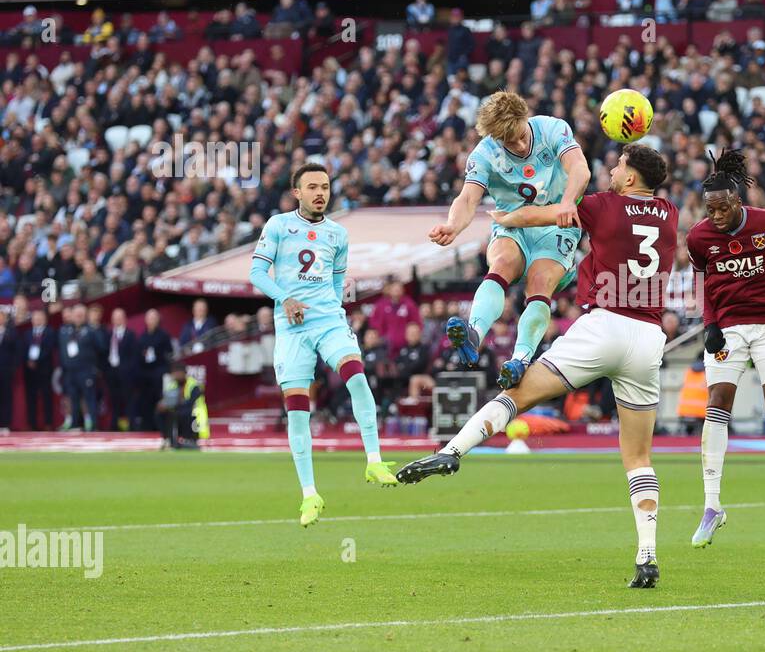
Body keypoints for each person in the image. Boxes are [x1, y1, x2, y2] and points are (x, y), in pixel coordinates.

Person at [398, 145, 676, 589]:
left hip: (602, 327)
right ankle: (647, 556)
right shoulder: (669, 212)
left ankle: (451, 452)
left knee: (518, 394)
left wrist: (505, 220)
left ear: (629, 178)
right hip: (647, 339)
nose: (612, 169)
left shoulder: (602, 206)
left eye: (620, 165)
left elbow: (541, 215)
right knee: (639, 457)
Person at [248, 163, 398, 527]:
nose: (320, 192)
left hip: (329, 320)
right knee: (298, 409)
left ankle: (374, 460)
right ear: (296, 192)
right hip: (291, 327)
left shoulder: (338, 234)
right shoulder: (278, 226)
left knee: (357, 377)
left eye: (325, 187)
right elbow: (256, 273)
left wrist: (334, 311)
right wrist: (285, 299)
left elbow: (336, 282)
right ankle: (309, 495)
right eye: (312, 186)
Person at [685, 150, 765, 550]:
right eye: (710, 209)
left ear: (737, 202)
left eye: (722, 208)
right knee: (716, 405)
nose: (716, 216)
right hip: (727, 329)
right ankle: (712, 507)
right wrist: (709, 324)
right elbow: (707, 282)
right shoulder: (698, 236)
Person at [430, 91, 590, 390]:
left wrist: (568, 201)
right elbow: (468, 197)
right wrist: (454, 225)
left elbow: (579, 167)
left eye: (519, 136)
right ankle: (474, 333)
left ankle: (520, 359)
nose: (517, 145)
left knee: (540, 283)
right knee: (501, 262)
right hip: (513, 223)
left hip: (556, 222)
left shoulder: (553, 128)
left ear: (524, 117)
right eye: (507, 142)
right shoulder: (484, 153)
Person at [58, 303, 98, 430]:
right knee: (73, 398)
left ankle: (92, 425)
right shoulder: (65, 330)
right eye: (76, 315)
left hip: (85, 370)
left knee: (89, 398)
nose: (78, 317)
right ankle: (75, 424)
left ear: (85, 316)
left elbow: (100, 347)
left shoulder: (91, 330)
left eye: (81, 315)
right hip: (70, 370)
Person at [137, 308, 173, 432]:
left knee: (161, 402)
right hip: (145, 375)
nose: (151, 321)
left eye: (154, 318)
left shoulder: (164, 335)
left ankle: (162, 427)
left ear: (158, 320)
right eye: (149, 318)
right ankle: (147, 427)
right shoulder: (142, 336)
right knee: (146, 402)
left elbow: (169, 355)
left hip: (159, 373)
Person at [104, 307, 138, 430]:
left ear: (124, 319)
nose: (117, 320)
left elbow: (134, 356)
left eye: (119, 317)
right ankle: (114, 426)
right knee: (114, 400)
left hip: (126, 374)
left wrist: (128, 371)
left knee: (129, 400)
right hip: (112, 373)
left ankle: (132, 426)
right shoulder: (108, 334)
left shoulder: (131, 335)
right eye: (115, 318)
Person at [23, 307, 56, 430]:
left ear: (45, 320)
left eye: (40, 318)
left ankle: (48, 423)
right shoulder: (27, 333)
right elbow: (23, 350)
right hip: (30, 370)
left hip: (44, 369)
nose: (37, 320)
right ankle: (32, 424)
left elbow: (48, 349)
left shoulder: (50, 332)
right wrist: (29, 361)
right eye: (35, 318)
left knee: (46, 397)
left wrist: (37, 360)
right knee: (31, 397)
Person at [0, 308, 15, 428]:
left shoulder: (11, 332)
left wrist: (12, 368)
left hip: (5, 370)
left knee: (6, 397)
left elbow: (17, 351)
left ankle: (5, 424)